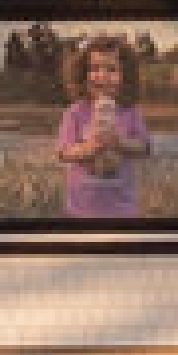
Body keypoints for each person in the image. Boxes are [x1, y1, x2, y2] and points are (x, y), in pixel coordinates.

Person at [51, 37, 151, 220]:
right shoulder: (75, 112)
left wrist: (120, 142)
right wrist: (89, 147)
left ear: (125, 76)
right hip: (80, 208)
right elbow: (63, 152)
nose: (102, 76)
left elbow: (145, 148)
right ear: (83, 74)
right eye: (94, 68)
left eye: (112, 69)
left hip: (122, 208)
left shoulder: (130, 111)